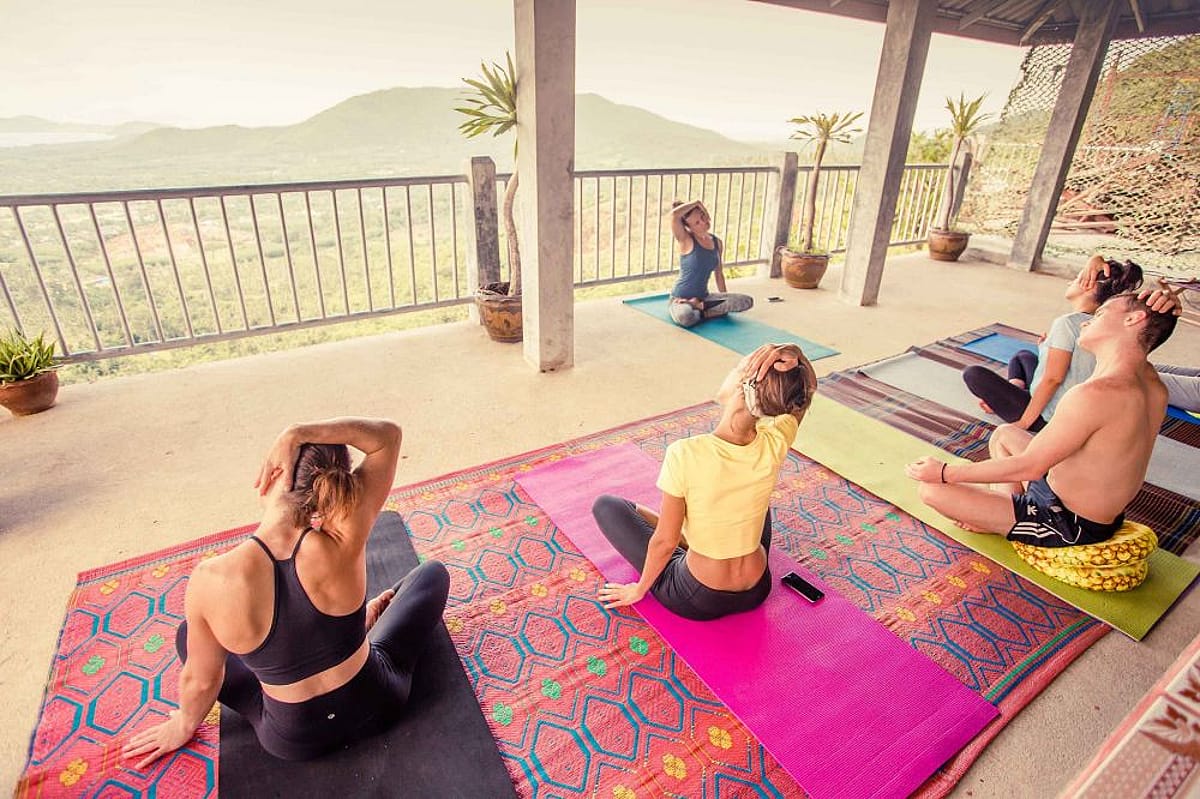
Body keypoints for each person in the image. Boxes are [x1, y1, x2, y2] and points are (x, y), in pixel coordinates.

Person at [123, 417, 449, 765]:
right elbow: (387, 436)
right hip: (378, 705)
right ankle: (360, 627)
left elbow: (202, 683)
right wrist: (300, 433)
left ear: (274, 475)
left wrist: (185, 724)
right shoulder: (345, 533)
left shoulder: (210, 579)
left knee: (191, 636)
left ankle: (354, 629)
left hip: (294, 739)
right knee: (431, 574)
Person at [907, 293, 1178, 548]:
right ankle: (1000, 513)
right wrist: (1164, 309)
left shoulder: (1095, 394)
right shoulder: (1152, 383)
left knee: (932, 490)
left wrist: (944, 472)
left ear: (1133, 319)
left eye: (1100, 314)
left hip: (1067, 522)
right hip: (1062, 492)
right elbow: (1146, 341)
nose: (1087, 320)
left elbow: (1030, 467)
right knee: (1005, 434)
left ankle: (1001, 519)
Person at [593, 343, 816, 620]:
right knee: (755, 498)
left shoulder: (685, 452)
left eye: (736, 368)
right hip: (758, 588)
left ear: (740, 387)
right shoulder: (776, 440)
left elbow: (665, 541)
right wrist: (797, 355)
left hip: (699, 597)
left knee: (607, 506)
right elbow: (806, 393)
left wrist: (638, 590)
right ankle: (700, 537)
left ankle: (696, 539)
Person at [962, 255, 1144, 431]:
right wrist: (1046, 348)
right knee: (1022, 356)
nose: (1069, 282)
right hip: (1078, 410)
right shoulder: (1104, 324)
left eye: (1075, 278)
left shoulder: (1067, 323)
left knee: (973, 374)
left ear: (1087, 285)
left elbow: (1053, 379)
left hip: (1049, 420)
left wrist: (1024, 422)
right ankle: (1016, 388)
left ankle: (1017, 402)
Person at [667, 199, 754, 328]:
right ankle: (697, 307)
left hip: (704, 297)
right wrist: (697, 203)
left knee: (746, 301)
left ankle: (699, 307)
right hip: (680, 299)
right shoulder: (686, 240)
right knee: (685, 316)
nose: (703, 222)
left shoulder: (717, 242)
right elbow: (674, 215)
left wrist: (725, 299)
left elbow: (719, 275)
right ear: (689, 228)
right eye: (697, 223)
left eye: (702, 216)